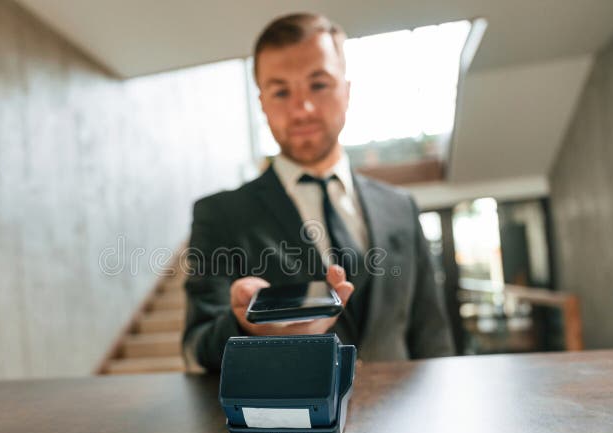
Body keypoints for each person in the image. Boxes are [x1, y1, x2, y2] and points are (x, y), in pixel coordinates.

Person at [183, 13, 454, 372]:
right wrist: (246, 327)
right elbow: (197, 346)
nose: (302, 109)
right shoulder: (220, 215)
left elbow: (432, 337)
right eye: (281, 91)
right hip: (290, 425)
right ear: (262, 103)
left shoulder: (400, 207)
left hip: (404, 420)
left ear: (347, 90)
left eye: (319, 84)